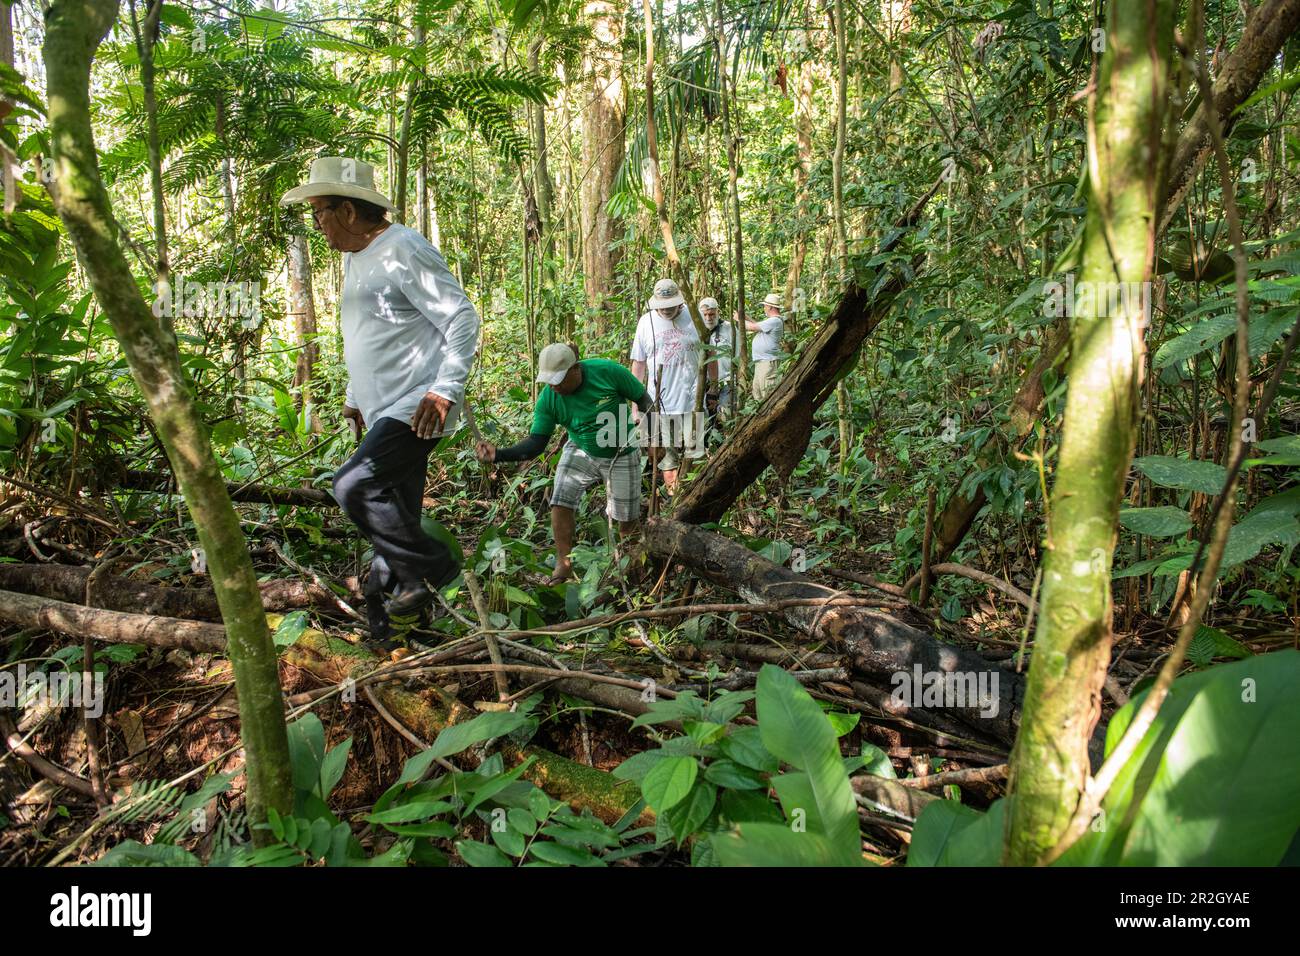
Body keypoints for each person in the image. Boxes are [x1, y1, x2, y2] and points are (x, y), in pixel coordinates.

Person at [280, 156, 479, 646]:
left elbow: (461, 318)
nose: (317, 222)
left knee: (353, 487)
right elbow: (370, 333)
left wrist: (443, 390)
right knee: (396, 518)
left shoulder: (404, 248)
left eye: (320, 211)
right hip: (382, 407)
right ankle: (392, 635)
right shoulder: (354, 257)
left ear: (348, 210)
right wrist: (353, 398)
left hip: (417, 405)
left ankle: (433, 568)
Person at [476, 343, 652, 585]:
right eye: (550, 381)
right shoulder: (549, 398)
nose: (555, 387)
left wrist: (654, 437)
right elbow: (536, 444)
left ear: (576, 369)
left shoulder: (607, 371)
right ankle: (563, 563)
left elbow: (643, 399)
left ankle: (628, 567)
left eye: (559, 380)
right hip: (580, 448)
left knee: (626, 519)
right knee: (560, 500)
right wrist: (499, 455)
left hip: (621, 450)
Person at [630, 278, 702, 493]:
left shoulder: (694, 317)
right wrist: (636, 406)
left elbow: (710, 355)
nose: (667, 310)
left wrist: (713, 389)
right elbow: (639, 363)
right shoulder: (646, 322)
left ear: (679, 301)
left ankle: (695, 496)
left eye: (671, 305)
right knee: (667, 457)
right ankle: (674, 499)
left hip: (692, 399)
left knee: (695, 453)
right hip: (659, 402)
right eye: (662, 306)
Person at [699, 296, 736, 428]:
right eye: (705, 315)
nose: (709, 318)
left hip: (726, 381)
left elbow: (737, 355)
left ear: (717, 313)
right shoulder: (695, 331)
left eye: (712, 314)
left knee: (726, 417)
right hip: (703, 384)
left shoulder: (728, 328)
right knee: (705, 420)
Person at [745, 292, 786, 402]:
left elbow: (753, 327)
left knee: (767, 395)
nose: (764, 308)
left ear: (770, 307)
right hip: (762, 363)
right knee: (757, 392)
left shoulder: (775, 320)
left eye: (765, 306)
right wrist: (746, 317)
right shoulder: (771, 322)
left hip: (768, 363)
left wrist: (739, 320)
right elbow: (758, 326)